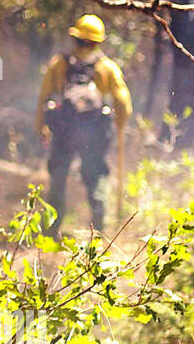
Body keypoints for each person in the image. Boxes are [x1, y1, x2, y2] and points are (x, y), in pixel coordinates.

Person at [36, 13, 132, 235]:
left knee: (58, 179)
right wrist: (119, 124)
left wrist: (41, 127)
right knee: (96, 178)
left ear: (75, 38)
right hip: (95, 135)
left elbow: (43, 97)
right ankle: (98, 235)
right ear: (98, 41)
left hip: (63, 133)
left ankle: (50, 234)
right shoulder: (107, 68)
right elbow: (123, 103)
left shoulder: (58, 64)